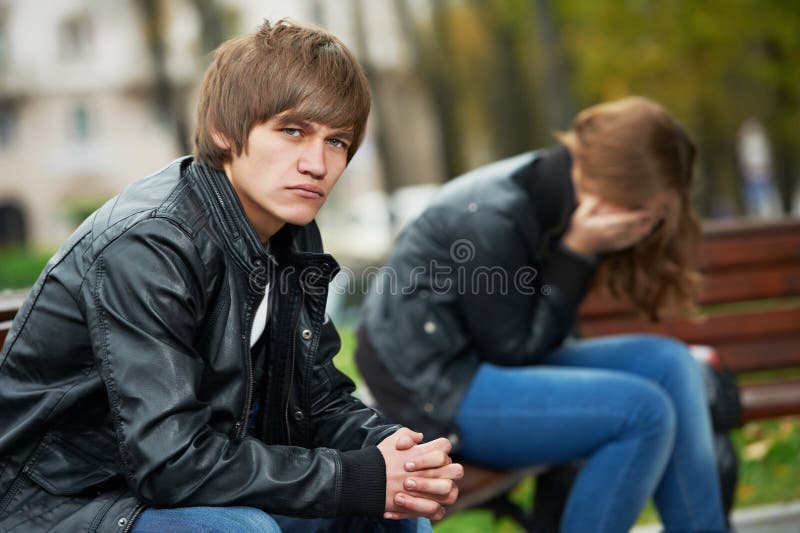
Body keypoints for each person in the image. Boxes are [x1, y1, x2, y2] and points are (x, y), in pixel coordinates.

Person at [0, 20, 462, 533]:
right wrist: (355, 477)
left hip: (170, 481)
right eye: (293, 131)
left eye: (336, 141)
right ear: (224, 130)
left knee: (394, 513)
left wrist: (396, 454)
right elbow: (170, 461)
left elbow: (318, 399)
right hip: (56, 503)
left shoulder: (288, 233)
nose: (317, 164)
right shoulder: (152, 244)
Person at [356, 97, 728, 533]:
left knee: (670, 363)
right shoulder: (495, 216)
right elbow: (514, 351)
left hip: (485, 364)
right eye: (648, 216)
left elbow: (530, 340)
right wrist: (577, 253)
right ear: (614, 189)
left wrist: (577, 253)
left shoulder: (558, 188)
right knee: (643, 414)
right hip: (434, 391)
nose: (648, 230)